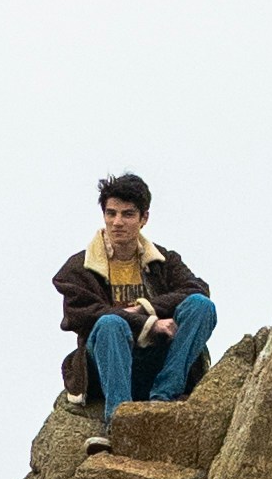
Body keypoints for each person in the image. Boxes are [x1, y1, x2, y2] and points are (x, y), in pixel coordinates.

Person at [53, 173, 216, 417]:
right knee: (110, 323)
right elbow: (81, 316)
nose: (117, 222)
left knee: (201, 305)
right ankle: (120, 420)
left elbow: (197, 289)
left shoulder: (163, 261)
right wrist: (149, 323)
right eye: (111, 213)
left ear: (144, 218)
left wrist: (143, 309)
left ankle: (165, 395)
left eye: (127, 214)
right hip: (107, 367)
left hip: (157, 362)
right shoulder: (78, 269)